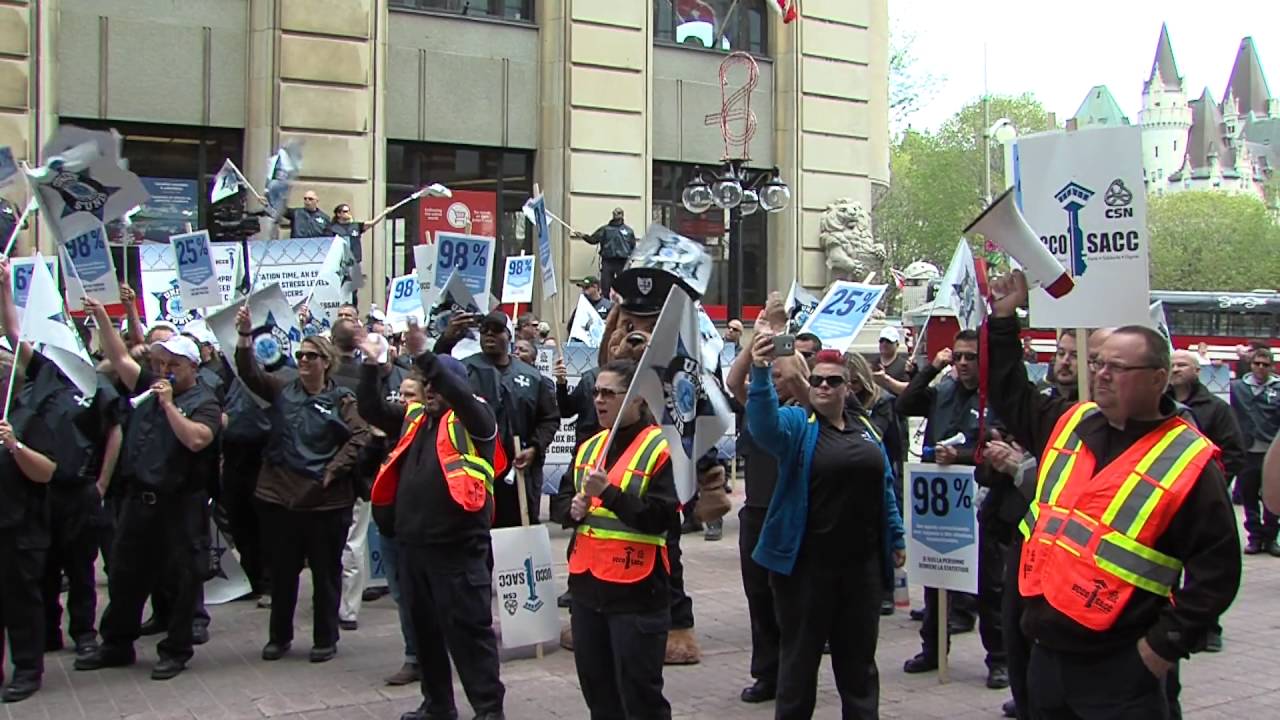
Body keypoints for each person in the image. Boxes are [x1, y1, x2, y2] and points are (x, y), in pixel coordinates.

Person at [986, 270, 1242, 720]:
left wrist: (1163, 647)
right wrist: (1004, 320)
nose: (1101, 375)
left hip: (1121, 667)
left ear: (1158, 379)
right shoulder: (1071, 422)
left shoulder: (1189, 460)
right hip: (1045, 655)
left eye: (1117, 368)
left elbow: (1216, 573)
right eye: (1098, 363)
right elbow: (1009, 393)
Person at [747, 341, 905, 719]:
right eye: (816, 380)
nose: (823, 387)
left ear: (847, 387)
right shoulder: (799, 423)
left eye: (833, 382)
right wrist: (761, 370)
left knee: (859, 667)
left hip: (861, 570)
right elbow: (763, 426)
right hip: (806, 569)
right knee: (799, 665)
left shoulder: (865, 428)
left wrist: (896, 536)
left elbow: (884, 484)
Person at [76, 299, 221, 681]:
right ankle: (116, 644)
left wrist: (171, 407)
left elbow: (196, 440)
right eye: (160, 363)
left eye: (173, 364)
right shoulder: (148, 387)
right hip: (139, 503)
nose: (164, 370)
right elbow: (120, 359)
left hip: (179, 507)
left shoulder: (202, 401)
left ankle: (175, 650)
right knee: (125, 575)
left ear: (192, 367)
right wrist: (106, 318)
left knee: (179, 580)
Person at [363, 349, 507, 720]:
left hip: (456, 551)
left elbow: (455, 393)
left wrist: (427, 357)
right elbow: (371, 410)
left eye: (435, 385)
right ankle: (437, 705)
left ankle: (489, 711)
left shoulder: (476, 419)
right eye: (425, 385)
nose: (429, 391)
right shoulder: (416, 421)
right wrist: (369, 366)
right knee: (425, 635)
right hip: (413, 548)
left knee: (469, 636)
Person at [233, 306, 369, 663]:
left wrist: (333, 470)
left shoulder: (342, 399)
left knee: (326, 574)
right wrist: (245, 337)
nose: (304, 360)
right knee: (282, 572)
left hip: (326, 501)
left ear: (326, 362)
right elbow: (248, 372)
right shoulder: (281, 389)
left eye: (311, 356)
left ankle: (325, 637)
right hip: (281, 496)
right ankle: (279, 637)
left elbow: (361, 436)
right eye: (300, 355)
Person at [556, 359, 678, 719]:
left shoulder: (662, 448)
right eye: (596, 392)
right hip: (587, 588)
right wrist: (570, 510)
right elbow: (562, 500)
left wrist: (609, 494)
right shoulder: (590, 446)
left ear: (638, 398)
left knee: (640, 697)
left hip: (637, 591)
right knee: (598, 693)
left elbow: (662, 518)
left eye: (609, 393)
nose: (599, 400)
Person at [896, 330, 1008, 689]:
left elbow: (999, 443)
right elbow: (906, 403)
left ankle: (1000, 660)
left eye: (970, 357)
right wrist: (931, 368)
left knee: (989, 585)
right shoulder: (943, 391)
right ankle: (933, 650)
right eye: (957, 356)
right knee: (935, 577)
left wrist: (958, 456)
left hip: (981, 501)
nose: (962, 363)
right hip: (940, 502)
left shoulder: (998, 398)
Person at [724, 331, 813, 705]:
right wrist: (754, 347)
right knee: (759, 599)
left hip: (793, 515)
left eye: (778, 376)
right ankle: (767, 673)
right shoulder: (758, 409)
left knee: (791, 604)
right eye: (769, 375)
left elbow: (796, 379)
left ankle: (795, 675)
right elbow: (733, 381)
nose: (771, 381)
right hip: (756, 515)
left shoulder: (808, 415)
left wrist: (784, 345)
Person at [354, 346, 427, 687]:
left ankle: (435, 653)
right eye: (401, 396)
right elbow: (365, 472)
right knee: (402, 596)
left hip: (423, 531)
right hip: (391, 528)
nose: (404, 403)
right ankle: (415, 656)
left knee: (426, 597)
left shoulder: (429, 430)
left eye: (412, 396)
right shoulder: (387, 432)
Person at [448, 311, 558, 527]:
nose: (489, 334)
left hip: (517, 471)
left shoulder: (532, 376)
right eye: (484, 330)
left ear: (509, 336)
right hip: (474, 469)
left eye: (496, 330)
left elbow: (549, 419)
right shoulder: (463, 370)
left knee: (516, 535)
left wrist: (535, 448)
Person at [0, 348, 58, 703]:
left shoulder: (27, 419)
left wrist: (15, 446)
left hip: (17, 528)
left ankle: (27, 669)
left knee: (20, 603)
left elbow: (46, 471)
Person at [1231, 346, 1280, 556]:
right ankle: (1254, 538)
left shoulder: (1278, 388)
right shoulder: (1237, 387)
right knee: (1249, 496)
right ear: (1250, 365)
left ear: (1272, 366)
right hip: (1247, 451)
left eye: (1265, 365)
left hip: (1271, 451)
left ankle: (1270, 538)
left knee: (1272, 497)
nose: (1260, 368)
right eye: (1256, 364)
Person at [573, 208, 635, 295]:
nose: (616, 215)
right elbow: (593, 239)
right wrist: (583, 236)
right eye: (615, 213)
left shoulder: (628, 231)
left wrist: (631, 260)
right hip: (607, 261)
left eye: (618, 213)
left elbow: (633, 247)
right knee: (605, 286)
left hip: (622, 262)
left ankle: (623, 306)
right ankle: (606, 306)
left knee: (624, 287)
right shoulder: (605, 229)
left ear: (622, 215)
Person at [327, 202, 392, 268]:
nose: (348, 213)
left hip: (355, 261)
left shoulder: (356, 226)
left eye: (349, 211)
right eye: (345, 211)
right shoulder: (333, 228)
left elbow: (372, 222)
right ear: (338, 214)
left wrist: (384, 213)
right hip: (340, 262)